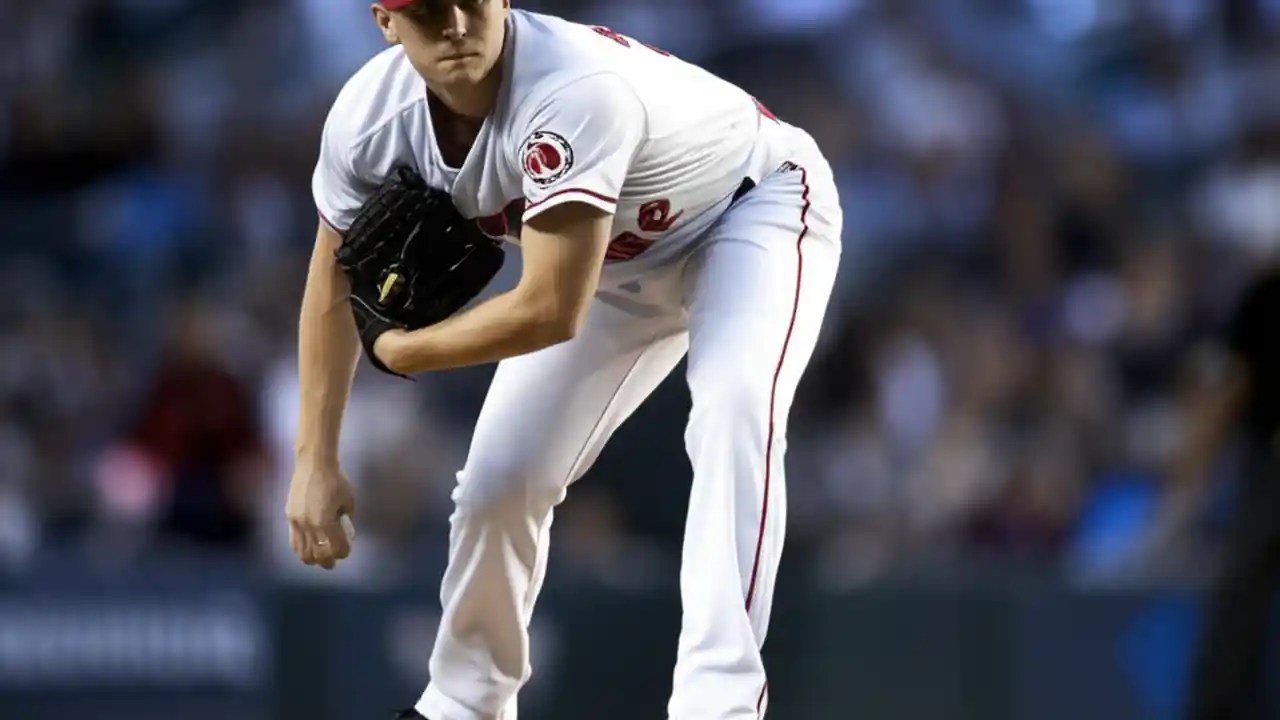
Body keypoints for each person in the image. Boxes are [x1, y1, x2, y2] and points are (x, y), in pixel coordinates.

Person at [286, 1, 842, 718]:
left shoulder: (571, 89)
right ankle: (465, 700)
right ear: (386, 22)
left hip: (750, 207)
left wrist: (407, 349)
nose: (456, 23)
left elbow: (551, 308)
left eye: (472, 0)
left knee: (736, 412)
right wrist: (314, 458)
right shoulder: (369, 118)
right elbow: (331, 280)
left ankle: (720, 702)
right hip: (612, 260)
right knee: (498, 479)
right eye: (427, 9)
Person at [1140, 266, 1280, 720]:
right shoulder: (1265, 294)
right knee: (1241, 592)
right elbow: (1229, 390)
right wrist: (1189, 481)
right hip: (1269, 468)